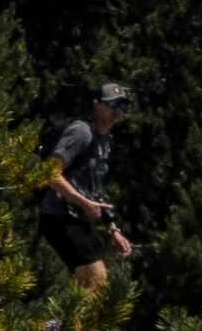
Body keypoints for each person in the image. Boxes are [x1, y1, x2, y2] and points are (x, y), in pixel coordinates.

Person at [36, 82, 137, 317]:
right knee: (95, 278)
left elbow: (95, 189)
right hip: (59, 216)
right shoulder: (81, 132)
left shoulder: (106, 141)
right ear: (96, 104)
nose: (117, 109)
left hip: (78, 218)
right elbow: (50, 172)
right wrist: (84, 203)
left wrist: (113, 229)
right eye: (111, 103)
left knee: (95, 283)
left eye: (121, 104)